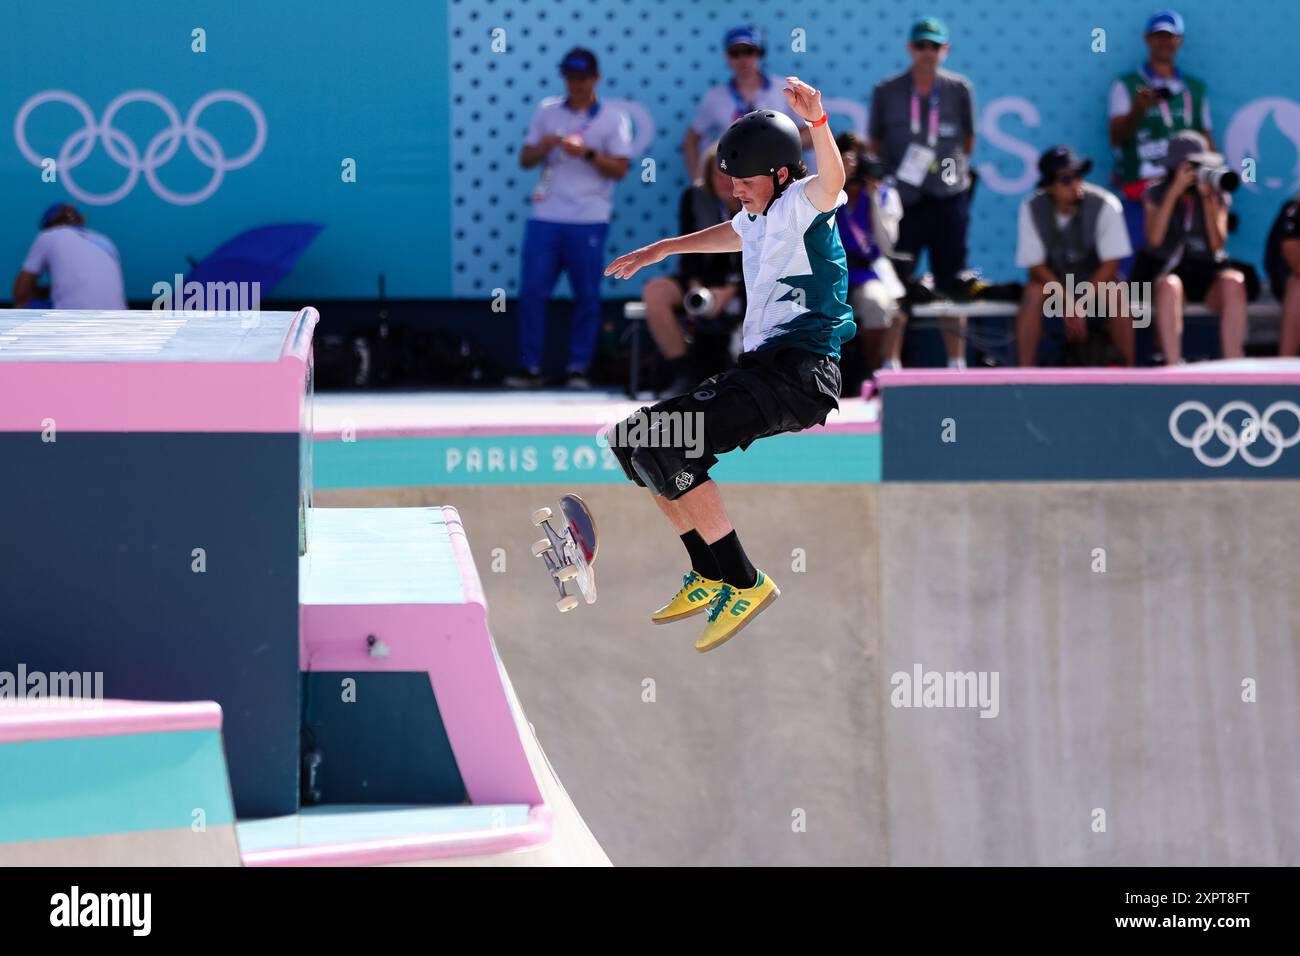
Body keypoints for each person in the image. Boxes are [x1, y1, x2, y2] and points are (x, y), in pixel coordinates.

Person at [604, 78, 853, 653]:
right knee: (633, 439)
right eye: (731, 182)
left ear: (782, 174)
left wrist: (818, 121)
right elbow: (732, 234)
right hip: (765, 370)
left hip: (800, 373)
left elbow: (835, 179)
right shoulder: (760, 214)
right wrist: (664, 248)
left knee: (669, 445)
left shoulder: (803, 203)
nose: (736, 191)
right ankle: (708, 572)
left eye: (745, 182)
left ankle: (743, 581)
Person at [507, 48, 632, 389]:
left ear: (596, 78)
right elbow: (525, 159)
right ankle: (530, 367)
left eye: (583, 77)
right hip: (545, 215)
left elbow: (621, 168)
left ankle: (579, 368)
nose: (576, 84)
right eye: (570, 77)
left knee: (587, 295)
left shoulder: (613, 117)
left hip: (590, 217)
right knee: (532, 291)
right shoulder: (547, 111)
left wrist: (587, 153)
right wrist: (546, 145)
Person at [868, 15, 976, 369]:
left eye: (934, 46)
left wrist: (947, 174)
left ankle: (957, 362)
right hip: (904, 200)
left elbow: (968, 141)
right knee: (897, 277)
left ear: (945, 50)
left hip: (948, 197)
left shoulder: (959, 89)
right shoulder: (887, 91)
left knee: (952, 276)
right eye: (921, 45)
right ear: (909, 48)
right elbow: (876, 142)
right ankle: (891, 362)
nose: (927, 53)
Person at [1108, 9, 1214, 275]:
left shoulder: (1195, 88)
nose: (1164, 42)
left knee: (1179, 270)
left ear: (1180, 41)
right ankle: (1132, 317)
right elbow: (1116, 138)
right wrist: (1138, 110)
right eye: (1158, 36)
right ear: (1147, 39)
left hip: (1184, 191)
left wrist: (1217, 180)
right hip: (1142, 190)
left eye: (1170, 37)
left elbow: (1209, 142)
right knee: (1135, 272)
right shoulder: (1126, 85)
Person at [1131, 130, 1246, 364]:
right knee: (1169, 286)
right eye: (1191, 167)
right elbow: (1154, 239)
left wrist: (1207, 201)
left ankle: (1234, 365)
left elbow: (1216, 246)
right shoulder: (1155, 193)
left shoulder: (1215, 192)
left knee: (1233, 281)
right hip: (1167, 270)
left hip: (1204, 270)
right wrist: (1174, 192)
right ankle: (1173, 366)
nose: (1195, 173)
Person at [640, 142, 744, 398]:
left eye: (728, 175)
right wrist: (696, 287)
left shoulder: (759, 200)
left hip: (746, 284)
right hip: (701, 281)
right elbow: (689, 252)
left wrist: (730, 291)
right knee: (656, 292)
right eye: (716, 174)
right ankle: (682, 372)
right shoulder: (694, 198)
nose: (723, 181)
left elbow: (765, 257)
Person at [1014, 146, 1134, 366]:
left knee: (1117, 294)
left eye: (1078, 175)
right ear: (1049, 186)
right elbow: (1035, 267)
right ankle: (1025, 375)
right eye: (1066, 179)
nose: (1076, 184)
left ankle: (1129, 374)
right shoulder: (1031, 207)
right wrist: (1067, 300)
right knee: (1032, 292)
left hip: (1095, 286)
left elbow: (1111, 264)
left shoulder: (1105, 205)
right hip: (1057, 289)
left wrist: (1081, 302)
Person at [682, 26, 809, 180]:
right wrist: (698, 179)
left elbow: (808, 132)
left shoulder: (783, 89)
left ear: (760, 53)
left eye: (749, 51)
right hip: (732, 179)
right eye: (735, 53)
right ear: (727, 58)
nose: (743, 59)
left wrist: (777, 149)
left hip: (778, 174)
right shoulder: (714, 97)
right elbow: (691, 139)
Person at [835, 132, 904, 372]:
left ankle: (873, 372)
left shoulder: (884, 194)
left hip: (866, 269)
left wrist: (873, 197)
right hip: (829, 270)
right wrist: (834, 180)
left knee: (879, 304)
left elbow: (887, 246)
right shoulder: (821, 191)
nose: (854, 168)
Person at [12, 202, 126, 310]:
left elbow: (21, 292)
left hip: (76, 324)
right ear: (81, 220)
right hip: (118, 323)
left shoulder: (48, 236)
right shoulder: (105, 241)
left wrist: (45, 292)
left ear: (48, 224)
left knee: (22, 305)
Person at [1264, 193, 1300, 356]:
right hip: (1291, 280)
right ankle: (1285, 367)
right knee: (1297, 285)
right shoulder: (1294, 209)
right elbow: (1295, 260)